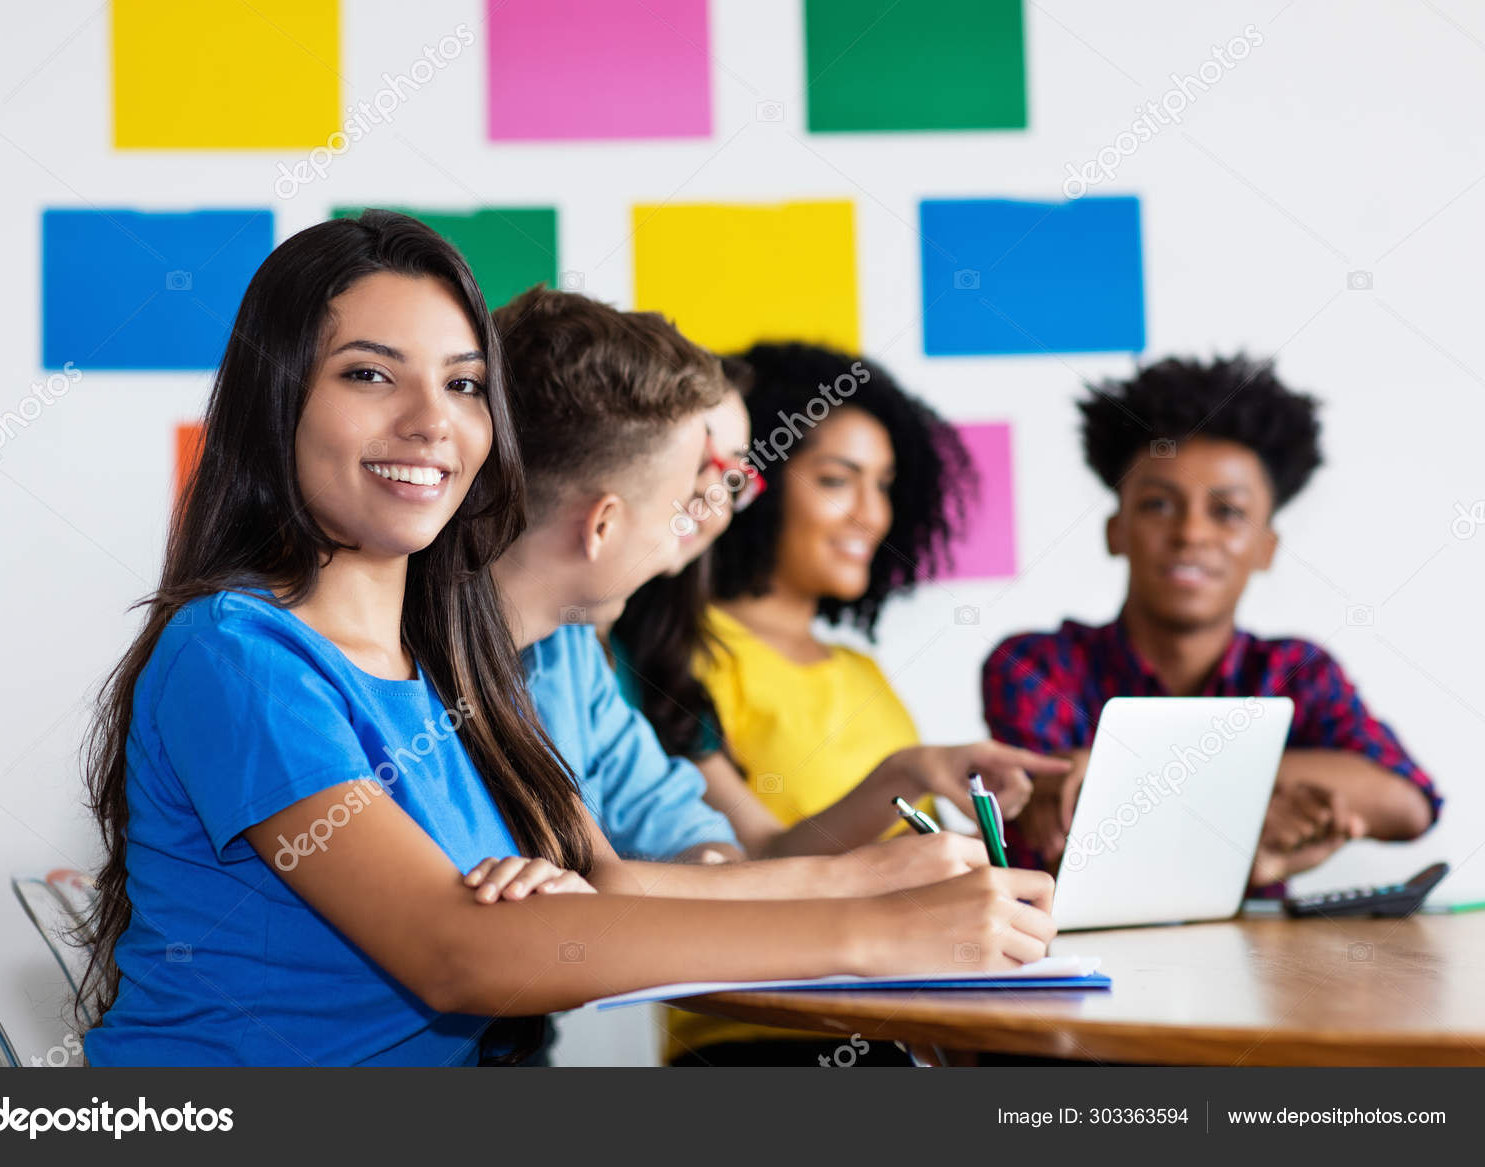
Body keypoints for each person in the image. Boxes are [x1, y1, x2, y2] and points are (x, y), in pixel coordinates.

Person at [77, 211, 1055, 1068]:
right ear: (279, 399)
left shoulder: (472, 654)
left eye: (464, 384)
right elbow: (456, 954)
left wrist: (860, 882)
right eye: (369, 374)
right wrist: (873, 927)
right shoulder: (237, 654)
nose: (430, 422)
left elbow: (604, 883)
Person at [648, 341, 1067, 1064]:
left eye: (885, 485)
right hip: (762, 1041)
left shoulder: (862, 672)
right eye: (838, 480)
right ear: (754, 482)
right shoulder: (685, 655)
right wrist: (903, 774)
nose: (872, 514)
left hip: (906, 1027)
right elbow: (756, 869)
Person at [981, 355, 1439, 887]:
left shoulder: (1298, 670)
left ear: (1266, 548)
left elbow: (1407, 802)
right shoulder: (1034, 665)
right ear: (1115, 531)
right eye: (1158, 505)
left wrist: (1125, 772)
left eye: (1227, 512)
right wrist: (1245, 797)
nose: (1191, 534)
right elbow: (1057, 840)